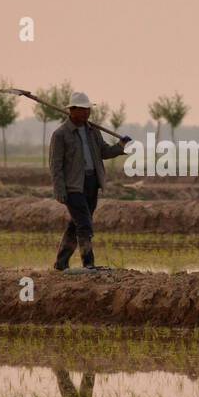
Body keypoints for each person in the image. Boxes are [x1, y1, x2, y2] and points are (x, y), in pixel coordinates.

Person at [48, 92, 131, 270]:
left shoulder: (93, 131)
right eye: (83, 110)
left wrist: (120, 147)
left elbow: (104, 152)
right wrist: (59, 189)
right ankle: (89, 263)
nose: (87, 113)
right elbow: (55, 166)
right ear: (72, 110)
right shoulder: (61, 135)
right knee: (84, 224)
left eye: (88, 110)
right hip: (73, 186)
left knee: (75, 224)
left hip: (92, 183)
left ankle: (61, 263)